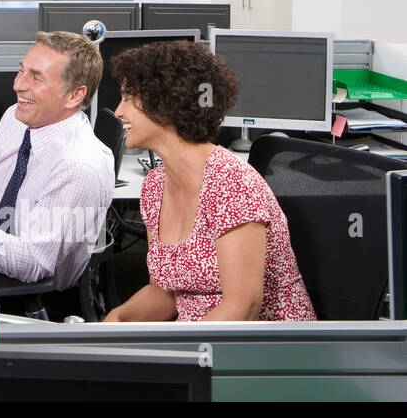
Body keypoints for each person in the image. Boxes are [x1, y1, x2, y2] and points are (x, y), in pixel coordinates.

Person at [104, 42, 315, 322]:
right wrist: (115, 322)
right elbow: (164, 294)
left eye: (129, 98)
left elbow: (242, 308)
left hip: (261, 348)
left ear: (168, 103)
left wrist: (179, 360)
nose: (118, 111)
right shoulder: (155, 185)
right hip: (196, 341)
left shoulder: (230, 183)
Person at [0, 31, 114, 289]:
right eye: (22, 71)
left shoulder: (78, 166)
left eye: (36, 77)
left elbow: (34, 263)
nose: (18, 85)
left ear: (75, 95)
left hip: (25, 292)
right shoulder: (16, 118)